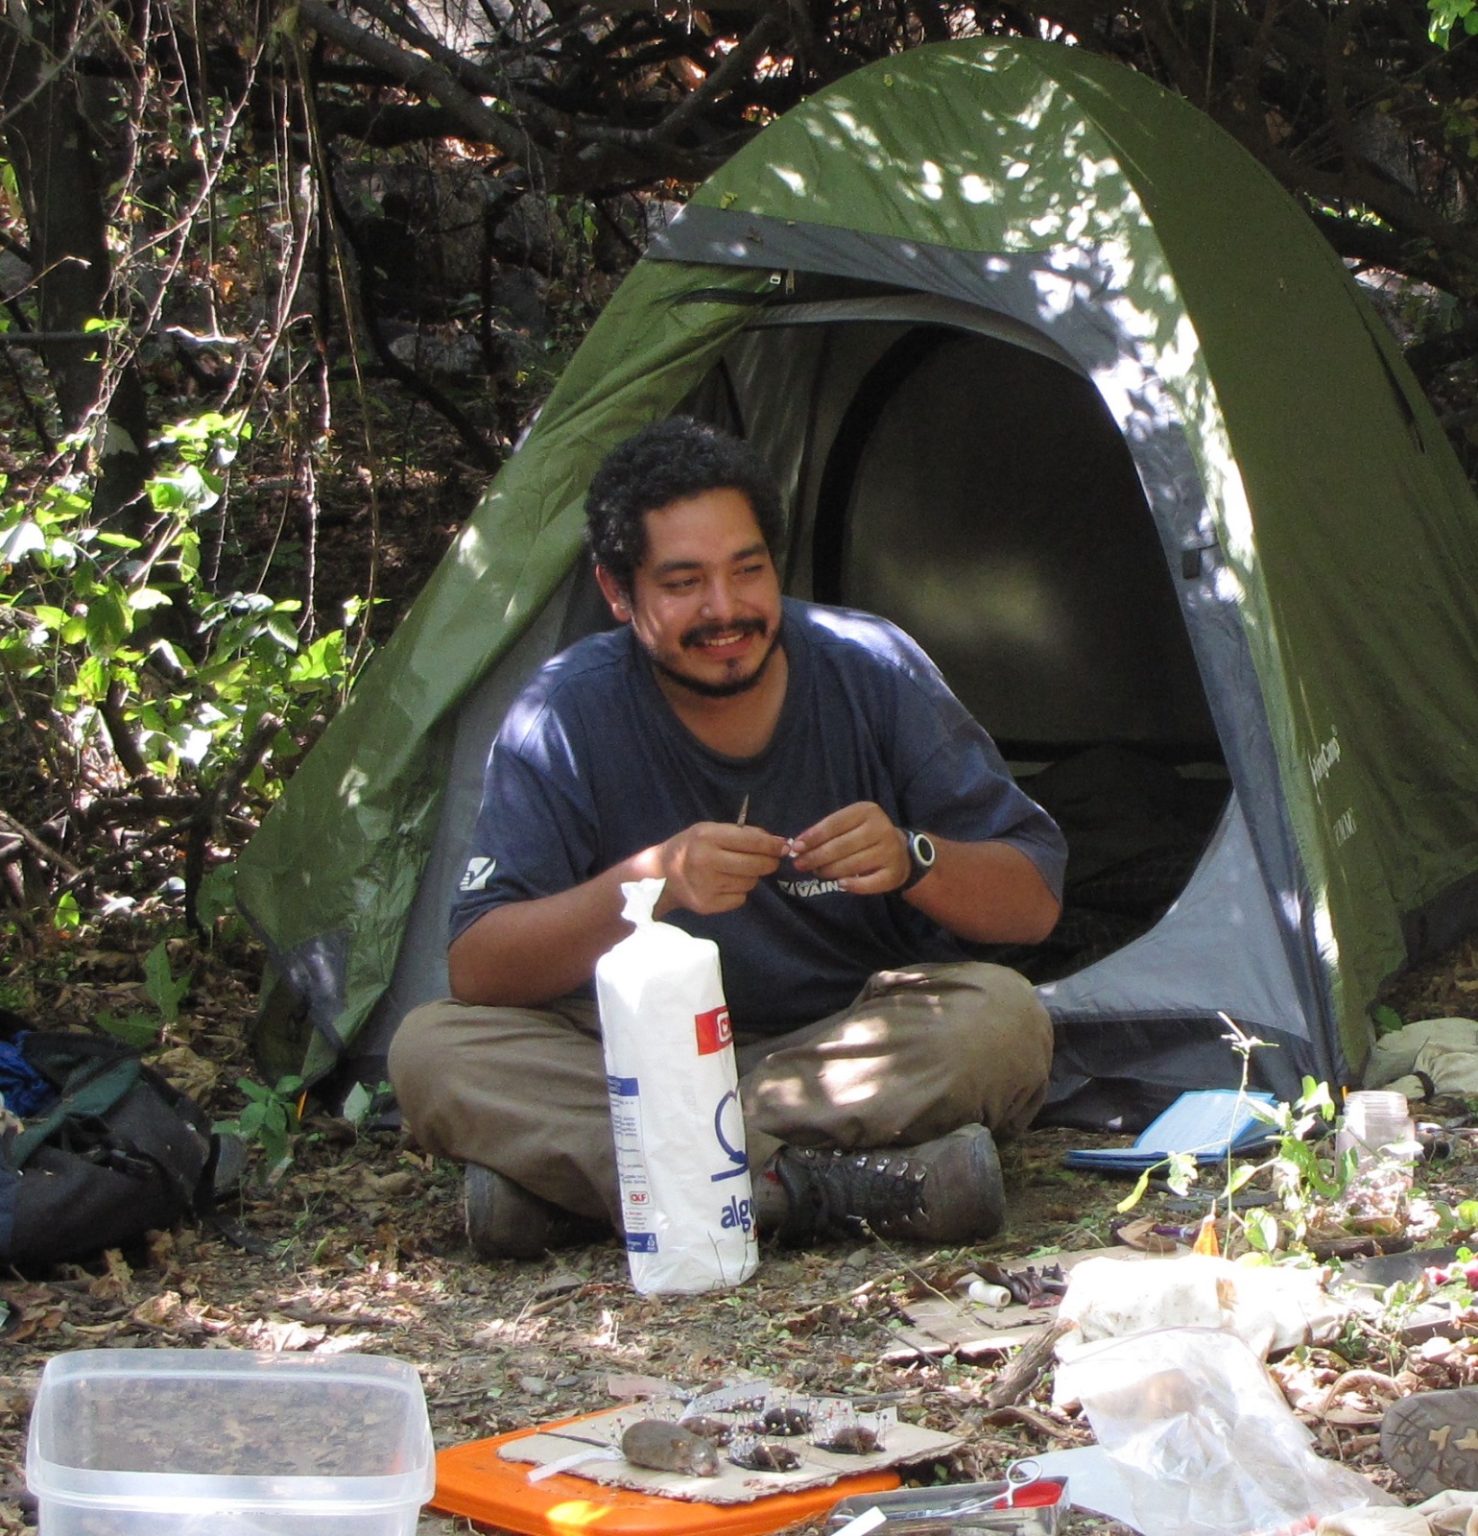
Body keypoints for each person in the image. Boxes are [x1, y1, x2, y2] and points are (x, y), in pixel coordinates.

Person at [389, 417, 1067, 1260]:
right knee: (432, 1050)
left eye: (748, 571)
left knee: (1000, 1022)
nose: (725, 610)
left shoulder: (870, 668)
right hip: (636, 1054)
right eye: (683, 583)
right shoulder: (568, 710)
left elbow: (1034, 902)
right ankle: (815, 1190)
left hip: (841, 1049)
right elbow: (480, 966)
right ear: (617, 593)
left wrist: (912, 858)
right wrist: (655, 881)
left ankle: (599, 1189)